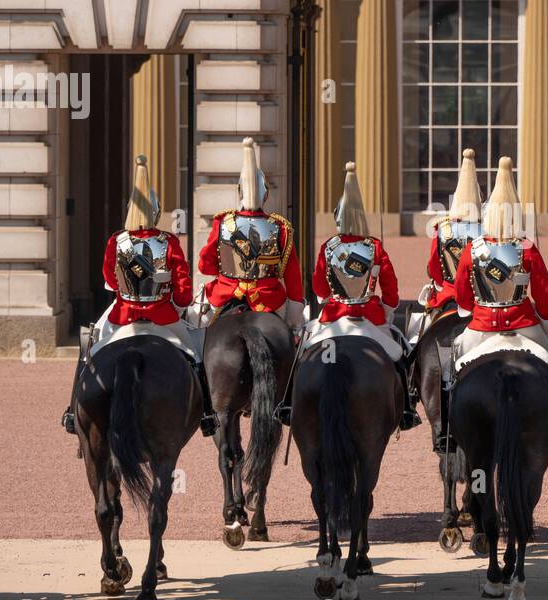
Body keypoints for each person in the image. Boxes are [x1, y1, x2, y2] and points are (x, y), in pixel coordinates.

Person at [61, 155, 216, 435]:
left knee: (89, 349)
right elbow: (181, 293)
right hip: (163, 317)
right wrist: (175, 301)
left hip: (122, 315)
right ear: (156, 212)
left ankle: (73, 413)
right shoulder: (168, 241)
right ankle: (206, 414)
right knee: (195, 355)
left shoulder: (116, 240)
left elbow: (109, 279)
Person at [451, 156, 548, 454]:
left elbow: (462, 294)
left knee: (452, 364)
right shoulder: (526, 247)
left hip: (481, 326)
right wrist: (546, 325)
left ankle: (448, 432)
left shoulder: (473, 249)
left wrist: (472, 311)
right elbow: (545, 296)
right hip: (524, 325)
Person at [310, 162, 420, 430]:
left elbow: (320, 289)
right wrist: (388, 306)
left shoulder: (328, 247)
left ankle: (289, 404)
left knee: (303, 352)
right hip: (370, 316)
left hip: (334, 315)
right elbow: (391, 288)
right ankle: (406, 409)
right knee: (399, 356)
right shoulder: (375, 246)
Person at [196, 137, 303, 329]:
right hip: (269, 301)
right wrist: (295, 313)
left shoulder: (223, 222)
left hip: (224, 296)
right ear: (266, 195)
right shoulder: (280, 227)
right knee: (295, 337)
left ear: (239, 193)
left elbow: (205, 267)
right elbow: (292, 275)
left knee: (196, 329)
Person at [419, 148, 484, 316]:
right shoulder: (488, 231)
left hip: (448, 295)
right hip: (481, 299)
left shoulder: (442, 229)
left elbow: (434, 269)